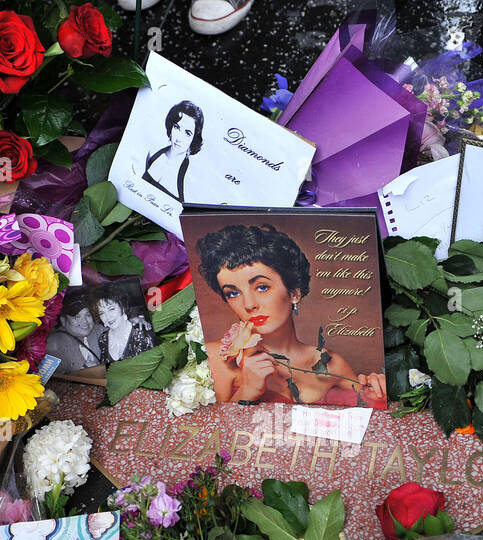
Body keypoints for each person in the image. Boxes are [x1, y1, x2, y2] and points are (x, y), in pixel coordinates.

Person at [195, 224, 387, 407]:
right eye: (233, 293)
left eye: (262, 287)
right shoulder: (217, 358)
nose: (249, 304)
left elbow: (367, 417)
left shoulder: (331, 363)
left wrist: (378, 395)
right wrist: (247, 390)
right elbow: (210, 428)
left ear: (294, 293)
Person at [142, 101, 203, 203]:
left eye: (187, 133)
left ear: (194, 139)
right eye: (177, 127)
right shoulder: (152, 153)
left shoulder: (190, 177)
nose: (179, 138)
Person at [94, 286, 157, 364]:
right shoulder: (103, 339)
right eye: (102, 313)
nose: (107, 317)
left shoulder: (143, 335)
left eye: (111, 309)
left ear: (122, 307)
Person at [45, 300, 101, 371]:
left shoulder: (100, 331)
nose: (84, 321)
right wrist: (81, 373)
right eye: (77, 317)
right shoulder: (54, 344)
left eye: (88, 315)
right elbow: (44, 376)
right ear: (63, 320)